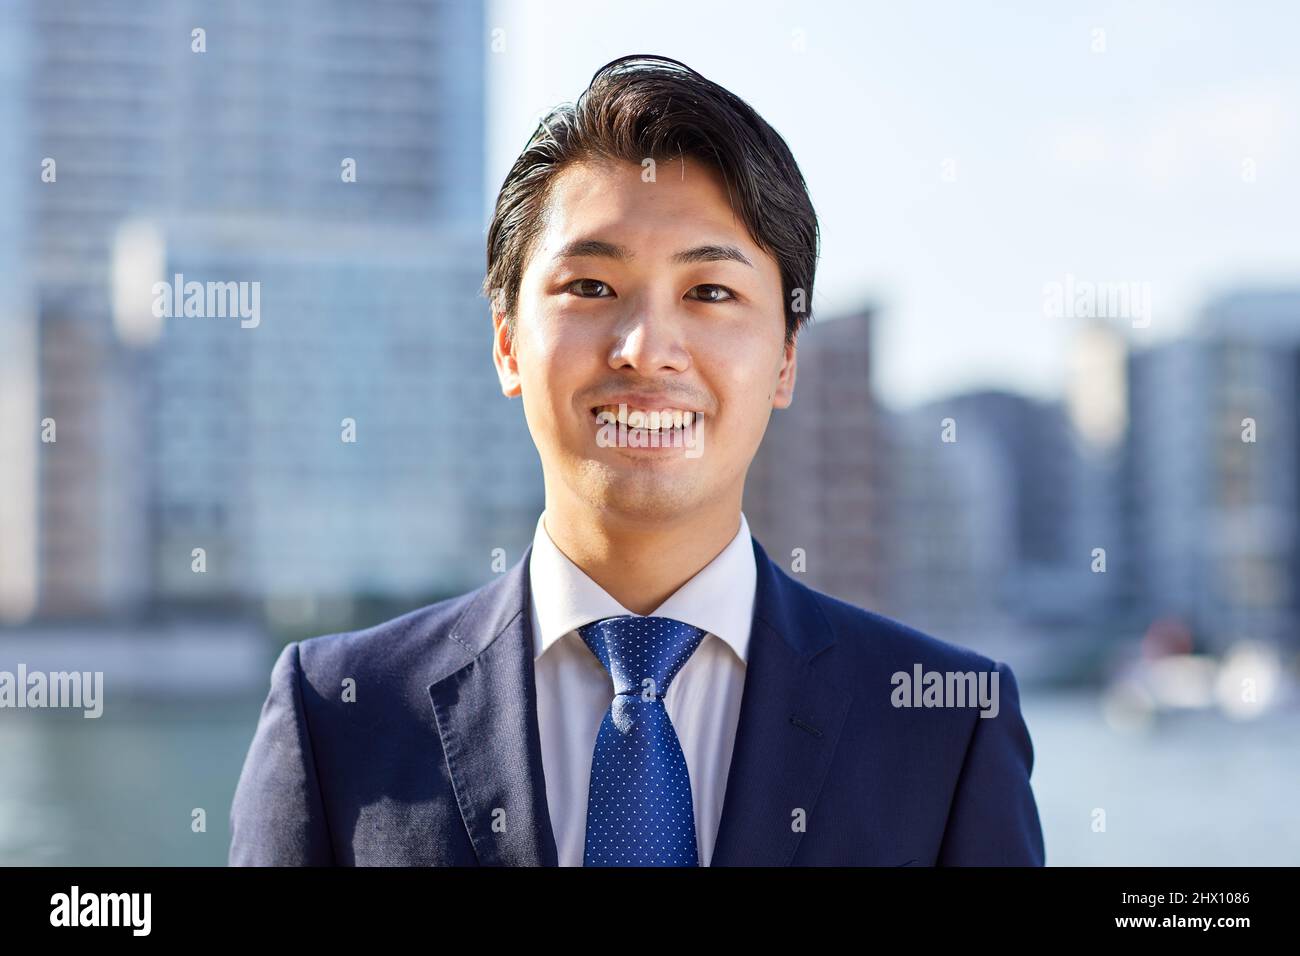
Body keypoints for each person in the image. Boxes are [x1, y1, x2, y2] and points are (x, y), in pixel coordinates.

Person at [229, 53, 1045, 866]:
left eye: (711, 293)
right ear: (507, 342)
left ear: (788, 357)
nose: (647, 350)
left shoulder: (945, 728)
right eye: (590, 287)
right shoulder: (338, 715)